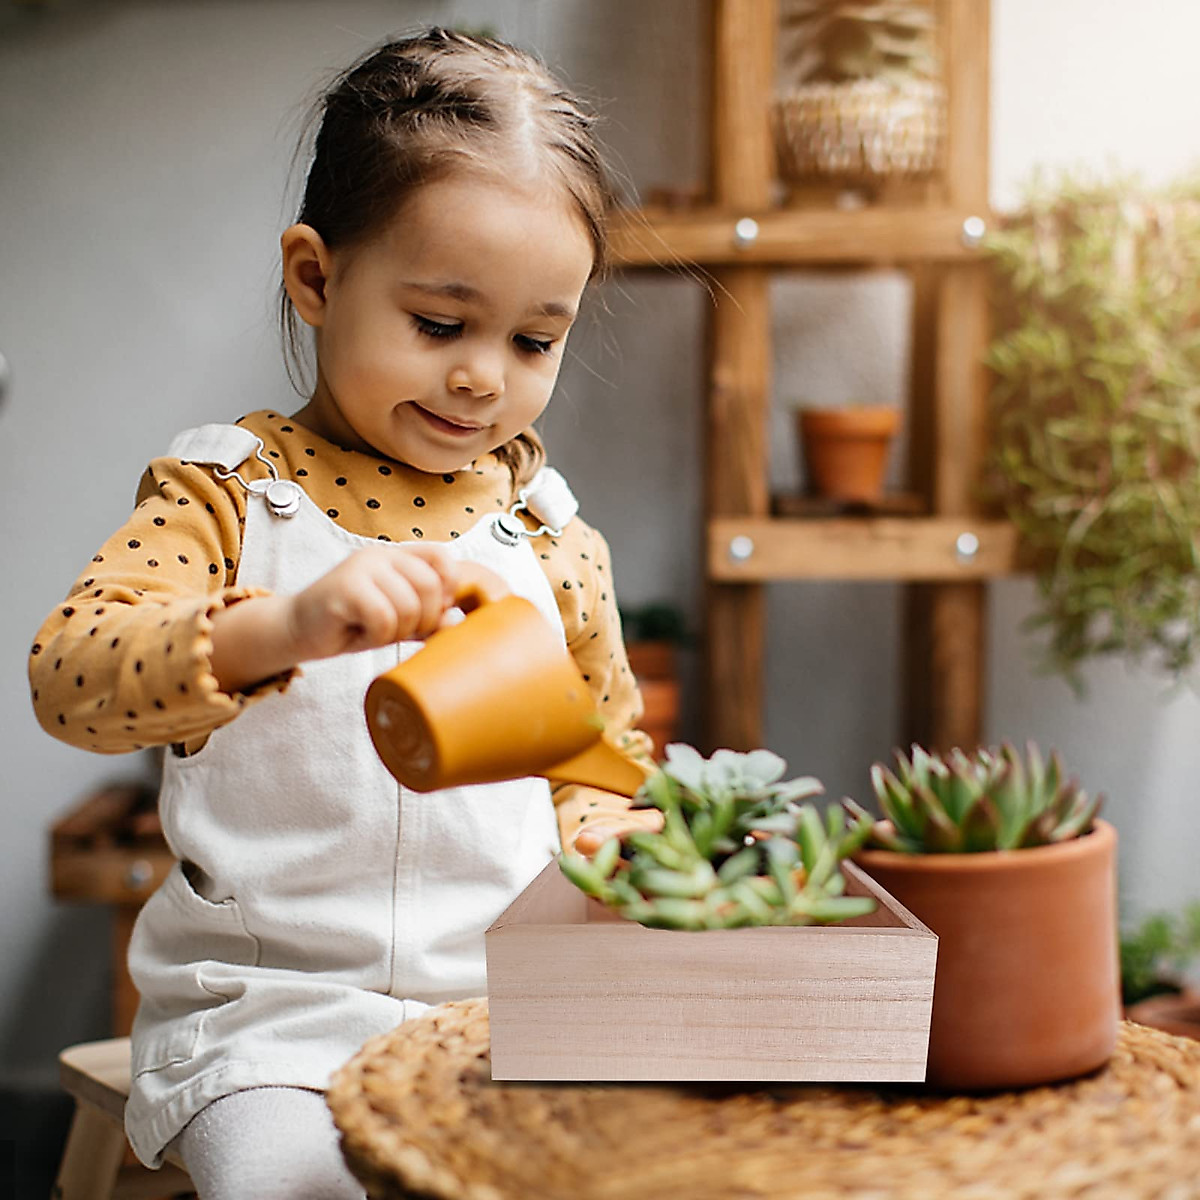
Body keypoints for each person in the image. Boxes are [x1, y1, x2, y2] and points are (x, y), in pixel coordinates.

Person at [30, 28, 660, 1199]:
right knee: (299, 1185)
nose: (485, 375)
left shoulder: (550, 537)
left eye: (534, 339)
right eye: (440, 323)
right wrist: (280, 629)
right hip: (268, 1021)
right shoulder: (223, 497)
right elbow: (70, 678)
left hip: (499, 1019)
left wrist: (605, 831)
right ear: (317, 278)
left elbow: (602, 755)